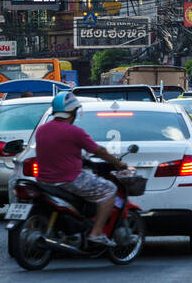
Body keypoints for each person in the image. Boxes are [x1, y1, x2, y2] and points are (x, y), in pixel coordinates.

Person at [33, 92, 129, 247]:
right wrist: (118, 163)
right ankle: (96, 233)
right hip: (70, 180)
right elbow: (100, 151)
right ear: (73, 112)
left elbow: (60, 150)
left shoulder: (42, 130)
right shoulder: (75, 132)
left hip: (44, 181)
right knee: (110, 190)